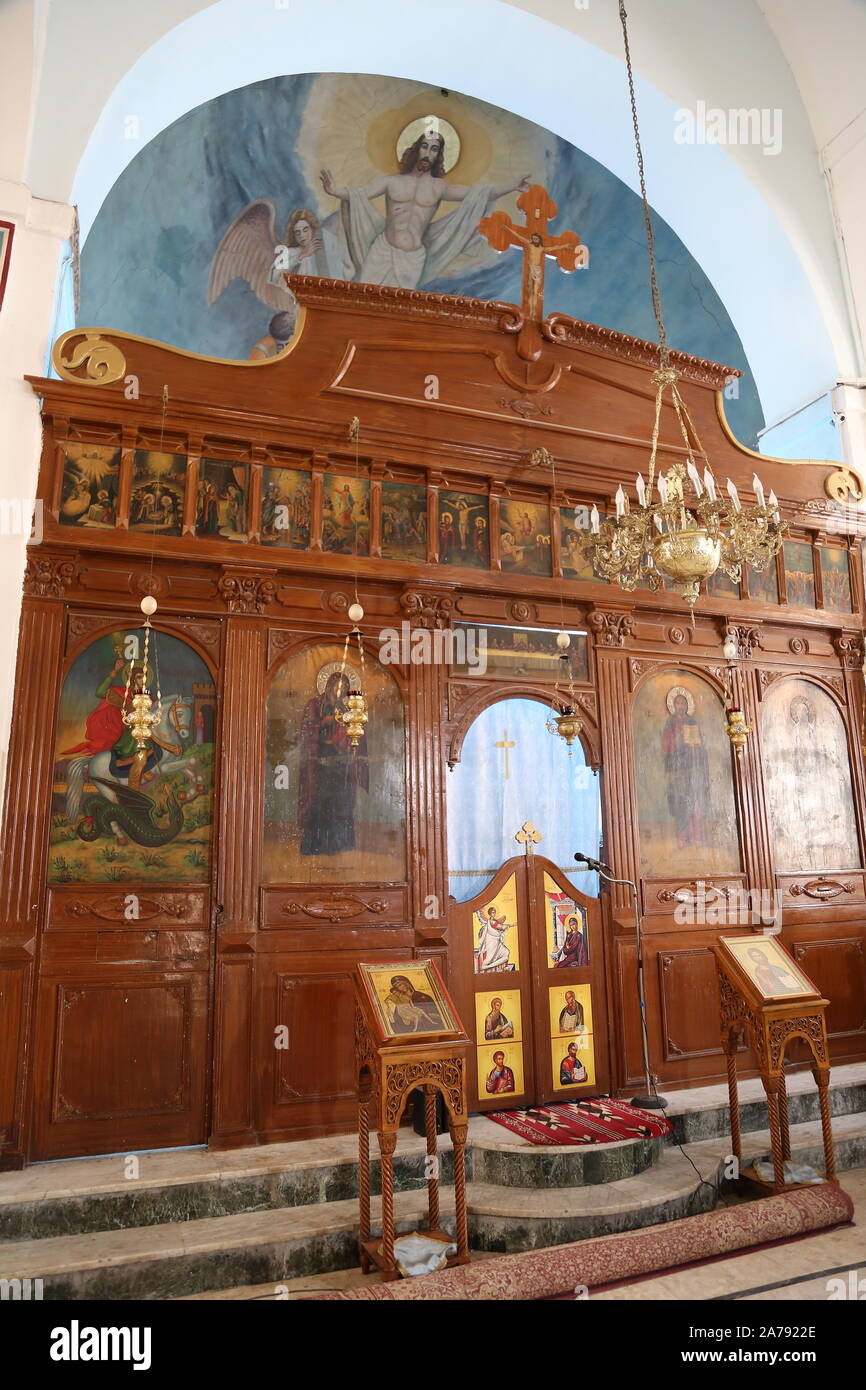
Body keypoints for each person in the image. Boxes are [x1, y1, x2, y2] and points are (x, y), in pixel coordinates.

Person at [321, 128, 530, 290]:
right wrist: (334, 191)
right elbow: (360, 194)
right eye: (424, 146)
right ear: (416, 149)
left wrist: (513, 185)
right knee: (364, 296)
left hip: (412, 259)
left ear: (438, 155)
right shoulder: (391, 181)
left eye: (434, 149)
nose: (427, 153)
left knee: (397, 309)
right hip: (382, 251)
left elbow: (481, 193)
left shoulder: (439, 188)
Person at [298, 670, 368, 855]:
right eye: (336, 688)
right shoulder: (314, 705)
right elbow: (306, 730)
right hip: (319, 765)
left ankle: (340, 845)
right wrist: (324, 722)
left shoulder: (349, 708)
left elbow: (358, 733)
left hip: (341, 765)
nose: (338, 692)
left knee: (341, 804)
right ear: (328, 687)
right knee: (319, 802)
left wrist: (346, 737)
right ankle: (316, 846)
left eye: (343, 688)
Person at [662, 690, 709, 847]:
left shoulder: (692, 721)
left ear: (687, 705)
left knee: (694, 800)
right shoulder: (670, 721)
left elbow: (699, 743)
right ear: (674, 705)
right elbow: (666, 743)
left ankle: (695, 836)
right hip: (676, 766)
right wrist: (676, 735)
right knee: (680, 800)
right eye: (678, 703)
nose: (680, 706)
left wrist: (694, 745)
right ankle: (682, 837)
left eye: (683, 703)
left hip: (691, 765)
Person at [475, 905, 514, 972]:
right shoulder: (491, 921)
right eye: (492, 912)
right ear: (489, 913)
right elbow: (501, 927)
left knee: (506, 953)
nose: (494, 913)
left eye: (494, 912)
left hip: (497, 942)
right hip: (492, 943)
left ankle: (489, 966)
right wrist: (511, 925)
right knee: (489, 959)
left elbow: (500, 927)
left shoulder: (494, 920)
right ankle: (485, 967)